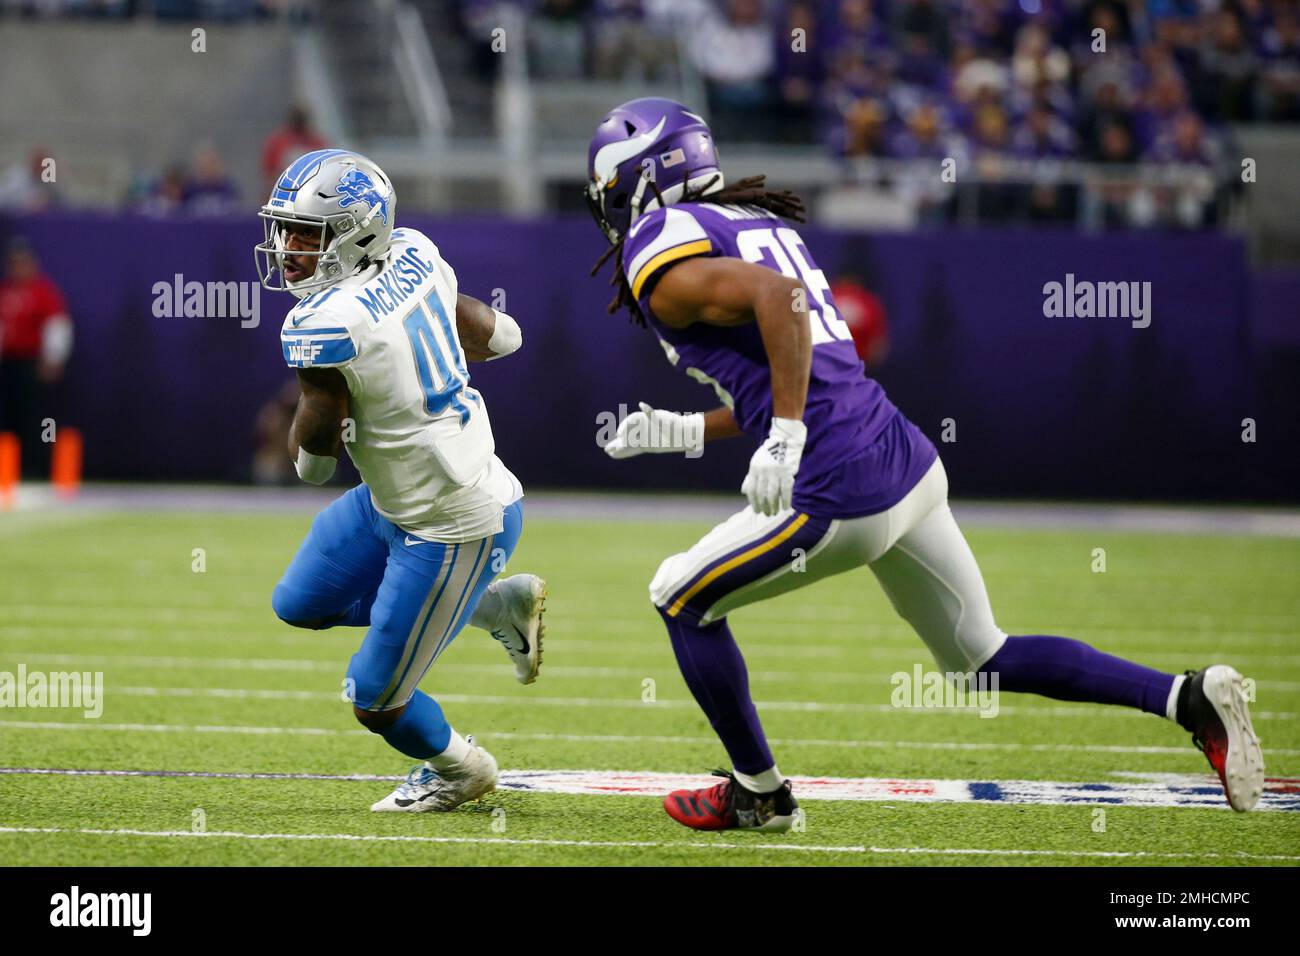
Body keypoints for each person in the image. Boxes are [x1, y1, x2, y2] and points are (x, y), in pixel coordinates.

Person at [585, 98, 1264, 832]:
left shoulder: (660, 239)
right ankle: (1187, 697)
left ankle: (760, 793)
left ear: (645, 178)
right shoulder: (754, 222)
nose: (614, 207)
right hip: (902, 460)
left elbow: (778, 303)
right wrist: (688, 430)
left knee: (679, 597)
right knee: (982, 655)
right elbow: (796, 359)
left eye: (615, 189)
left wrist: (783, 437)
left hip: (838, 486)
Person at [256, 149, 546, 812]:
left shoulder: (322, 323)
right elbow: (480, 325)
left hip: (453, 523)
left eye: (307, 233)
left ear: (356, 235)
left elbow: (320, 447)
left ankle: (461, 769)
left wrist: (301, 464)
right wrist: (504, 333)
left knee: (376, 700)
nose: (287, 248)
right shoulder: (410, 248)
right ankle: (492, 605)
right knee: (300, 603)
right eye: (284, 229)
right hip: (397, 498)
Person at [0, 238, 72, 478]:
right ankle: (7, 468)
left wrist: (53, 358)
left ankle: (36, 467)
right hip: (7, 362)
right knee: (7, 416)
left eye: (22, 262)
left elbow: (57, 325)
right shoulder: (5, 291)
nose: (18, 268)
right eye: (14, 263)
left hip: (32, 363)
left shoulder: (42, 292)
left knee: (38, 419)